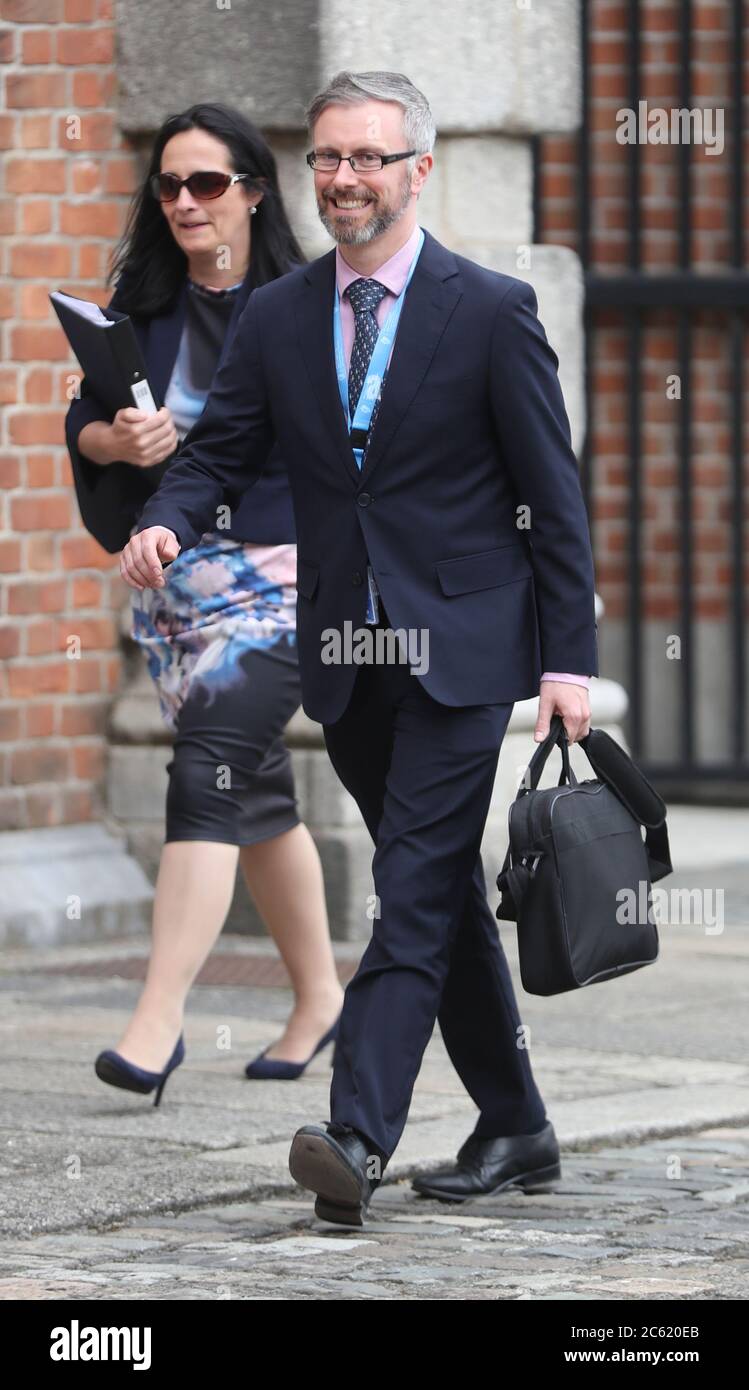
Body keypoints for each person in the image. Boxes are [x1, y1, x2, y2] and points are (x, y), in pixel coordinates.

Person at [120, 70, 598, 1219]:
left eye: (367, 158)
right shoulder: (282, 315)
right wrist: (165, 520)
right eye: (327, 158)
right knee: (431, 885)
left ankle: (354, 1133)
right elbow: (220, 450)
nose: (342, 178)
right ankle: (518, 1124)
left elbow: (554, 494)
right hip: (345, 647)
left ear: (415, 171)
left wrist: (566, 660)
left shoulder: (487, 309)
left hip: (466, 646)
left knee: (405, 886)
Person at [64, 103, 344, 1103]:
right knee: (255, 790)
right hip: (176, 584)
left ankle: (157, 1021)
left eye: (207, 183)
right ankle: (319, 997)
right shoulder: (141, 306)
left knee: (213, 758)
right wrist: (116, 446)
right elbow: (86, 422)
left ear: (254, 191)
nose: (184, 201)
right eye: (170, 184)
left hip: (287, 579)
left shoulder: (311, 304)